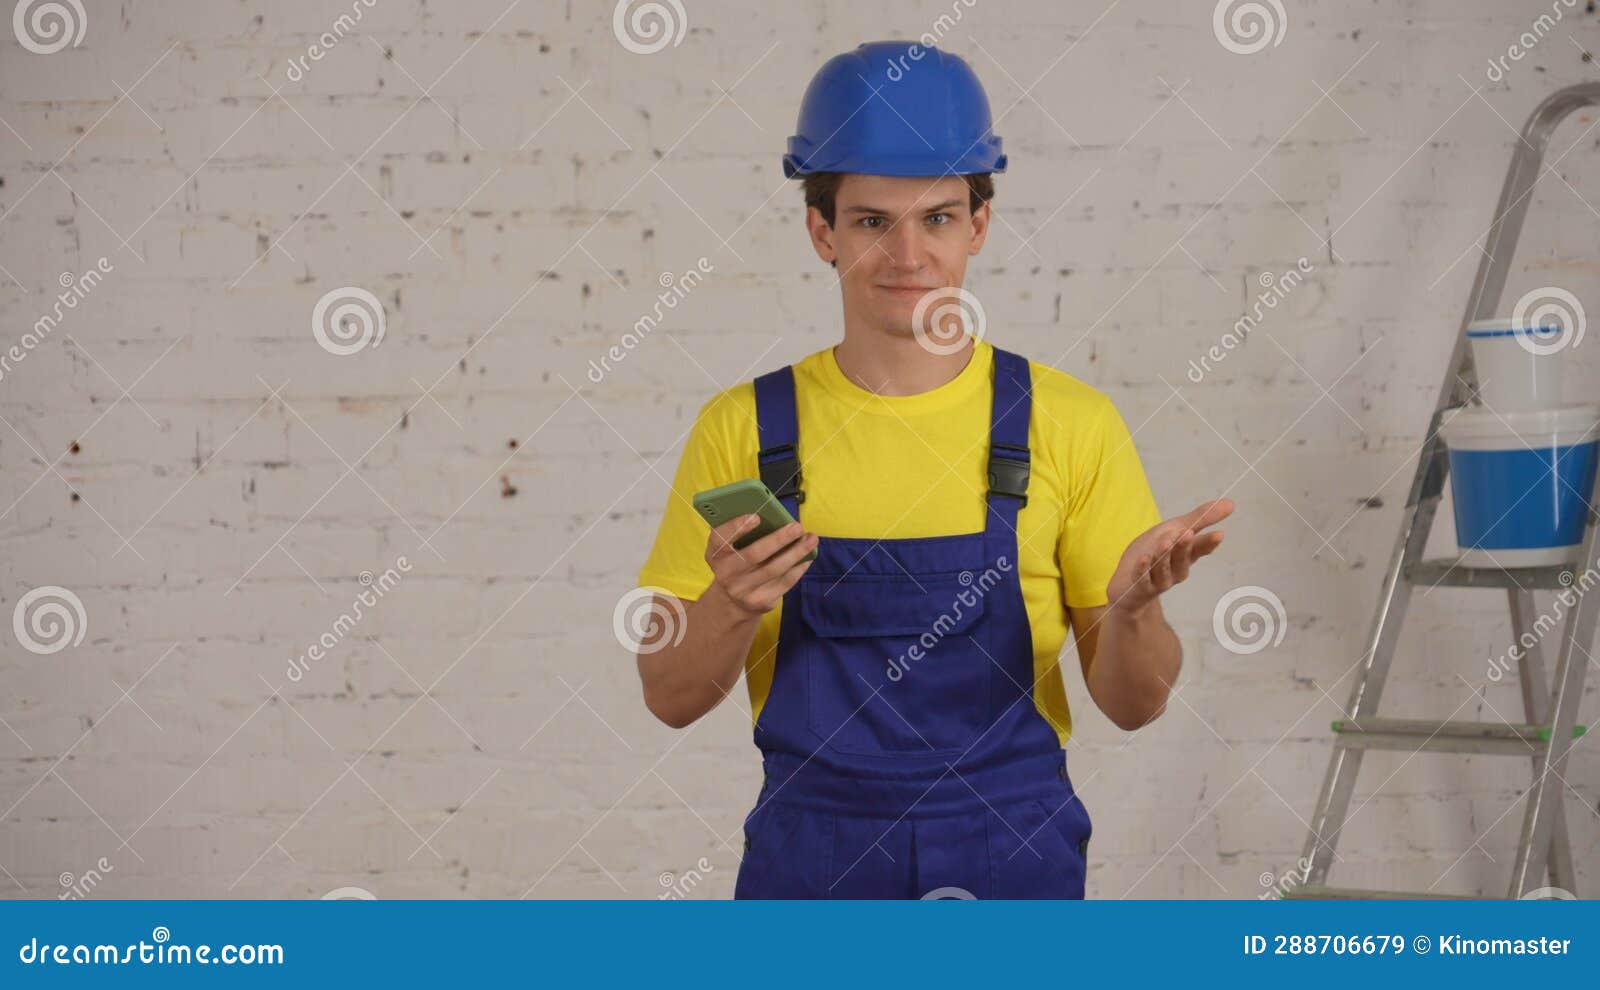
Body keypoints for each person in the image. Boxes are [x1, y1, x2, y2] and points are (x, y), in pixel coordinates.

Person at [633, 40, 1233, 899]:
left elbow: (1135, 707)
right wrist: (730, 601)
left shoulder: (1068, 424)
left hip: (1010, 852)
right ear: (822, 231)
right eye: (873, 221)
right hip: (812, 861)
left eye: (939, 218)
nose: (908, 255)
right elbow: (669, 695)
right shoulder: (744, 429)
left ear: (979, 225)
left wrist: (1134, 613)